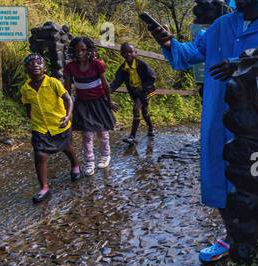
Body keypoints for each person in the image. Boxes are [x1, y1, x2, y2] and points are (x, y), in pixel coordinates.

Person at [145, 0, 258, 264]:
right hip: (218, 115)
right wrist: (168, 41)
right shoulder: (221, 26)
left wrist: (245, 64)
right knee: (219, 174)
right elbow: (191, 55)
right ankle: (232, 235)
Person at [19, 53, 80, 203]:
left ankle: (75, 164)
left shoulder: (53, 82)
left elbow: (68, 100)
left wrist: (67, 116)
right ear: (26, 69)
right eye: (31, 64)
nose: (35, 66)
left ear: (44, 68)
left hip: (60, 123)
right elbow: (28, 108)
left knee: (67, 147)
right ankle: (44, 187)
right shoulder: (25, 89)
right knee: (39, 154)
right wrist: (33, 120)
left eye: (39, 63)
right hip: (40, 127)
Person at [62, 36, 116, 173]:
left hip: (98, 102)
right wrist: (66, 106)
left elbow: (105, 84)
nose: (80, 53)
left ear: (89, 50)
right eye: (77, 51)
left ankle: (105, 155)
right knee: (87, 134)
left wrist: (109, 102)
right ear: (72, 52)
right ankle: (89, 161)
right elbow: (67, 87)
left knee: (102, 132)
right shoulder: (70, 67)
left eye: (83, 50)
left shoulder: (97, 64)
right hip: (82, 104)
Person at [111, 42, 157, 143]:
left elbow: (152, 77)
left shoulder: (142, 64)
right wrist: (108, 91)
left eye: (131, 52)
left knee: (136, 108)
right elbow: (116, 82)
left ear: (135, 53)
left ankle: (132, 136)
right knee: (144, 111)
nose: (128, 54)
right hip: (136, 93)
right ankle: (151, 128)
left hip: (147, 90)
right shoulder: (123, 69)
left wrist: (144, 89)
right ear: (122, 54)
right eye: (125, 52)